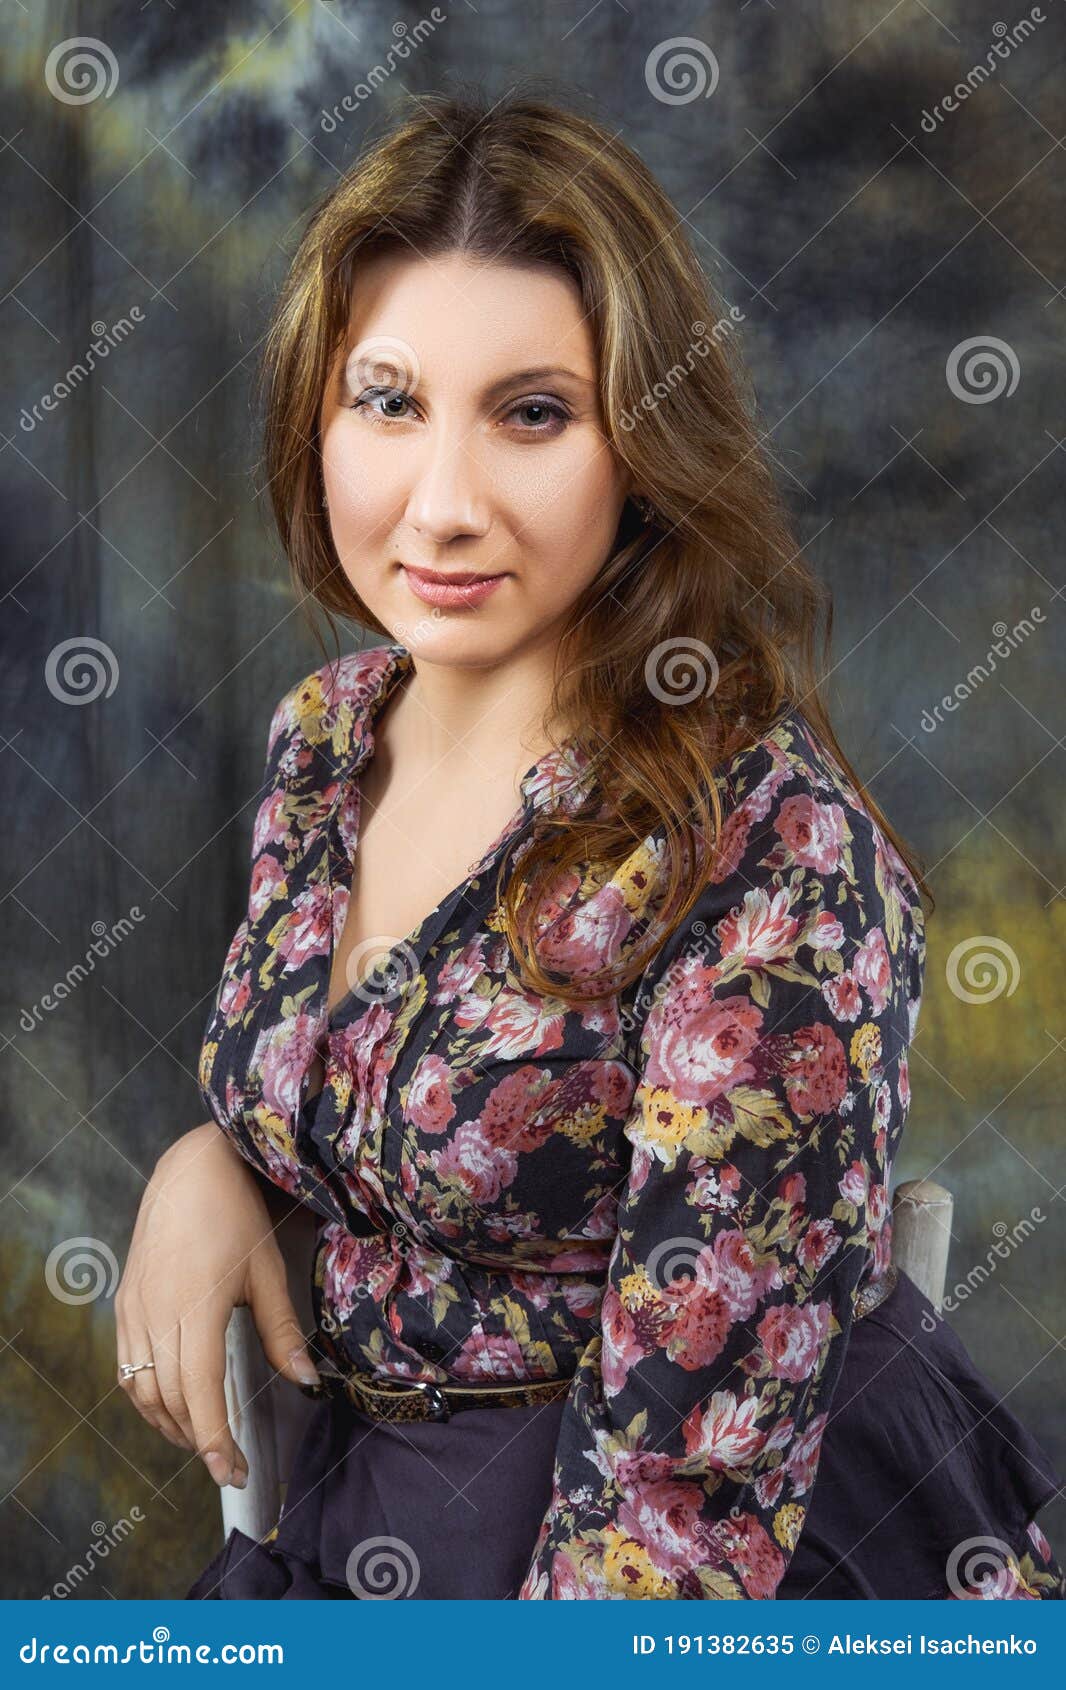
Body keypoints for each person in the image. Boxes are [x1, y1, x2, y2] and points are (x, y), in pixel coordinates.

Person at [116, 89, 1064, 1602]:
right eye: (388, 400)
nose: (443, 503)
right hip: (384, 1507)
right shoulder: (327, 741)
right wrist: (214, 1164)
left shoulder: (765, 846)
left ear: (641, 439)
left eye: (533, 413)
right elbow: (395, 1109)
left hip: (699, 1545)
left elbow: (683, 1501)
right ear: (316, 412)